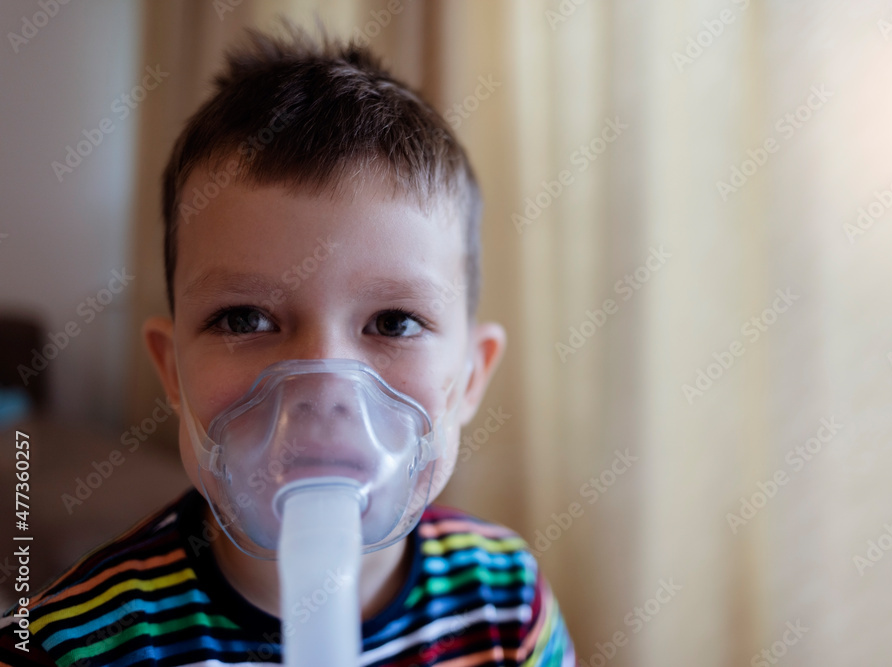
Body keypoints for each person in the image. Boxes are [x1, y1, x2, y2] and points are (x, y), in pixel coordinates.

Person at [0, 25, 575, 666]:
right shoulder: (66, 646)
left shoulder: (506, 604)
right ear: (172, 370)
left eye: (393, 323)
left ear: (470, 377)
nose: (322, 388)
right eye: (245, 319)